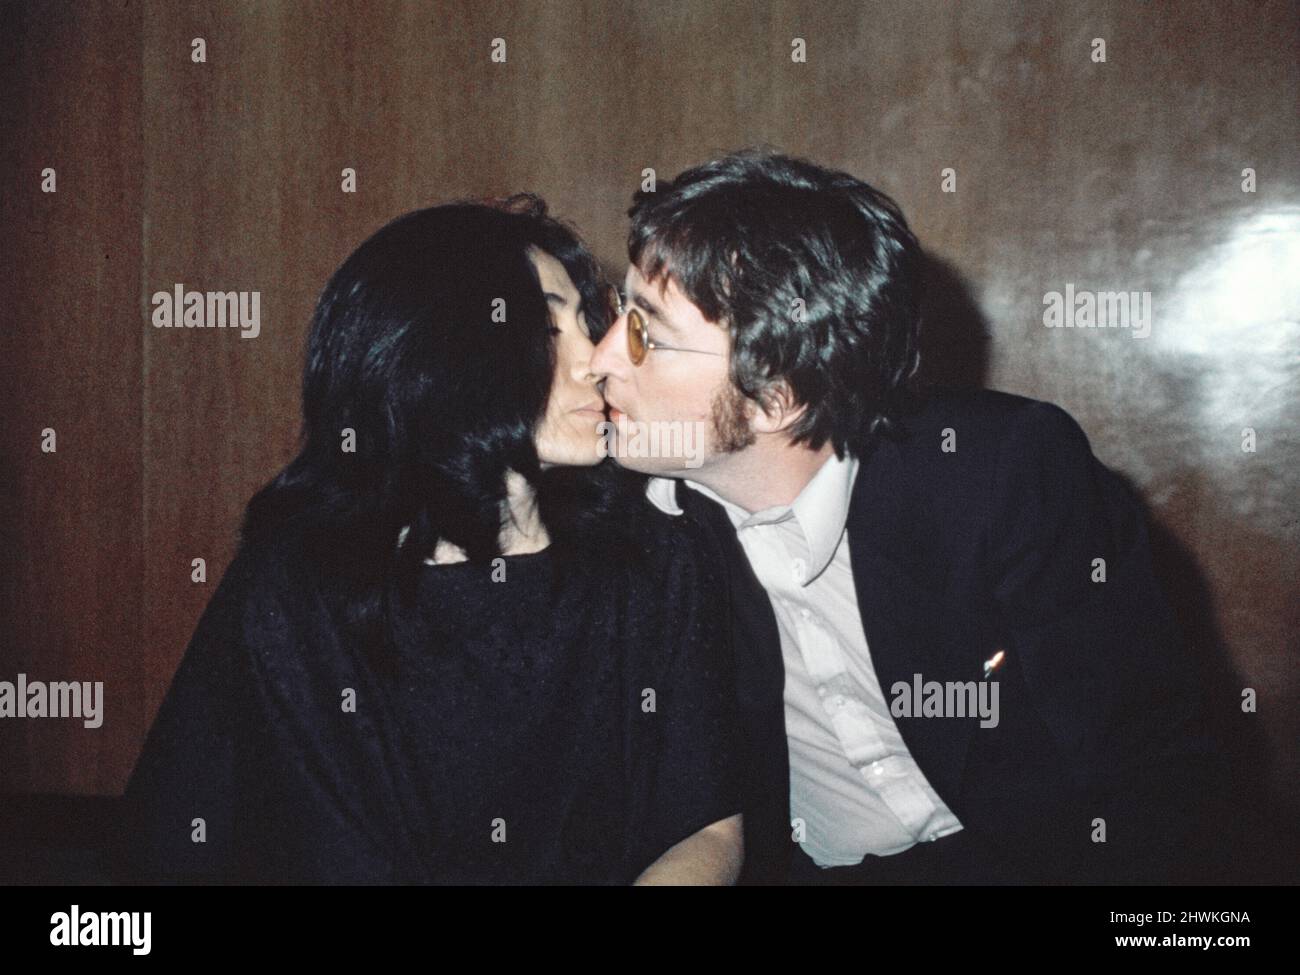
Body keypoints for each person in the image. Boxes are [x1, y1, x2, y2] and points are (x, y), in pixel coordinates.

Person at [588, 149, 1228, 885]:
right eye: (618, 311)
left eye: (646, 333)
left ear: (777, 399)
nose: (601, 358)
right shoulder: (644, 521)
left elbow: (1151, 772)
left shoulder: (1000, 476)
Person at [109, 195, 743, 885]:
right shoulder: (297, 587)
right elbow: (196, 841)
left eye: (584, 323)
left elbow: (704, 827)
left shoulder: (655, 560)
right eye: (547, 327)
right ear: (440, 356)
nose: (596, 359)